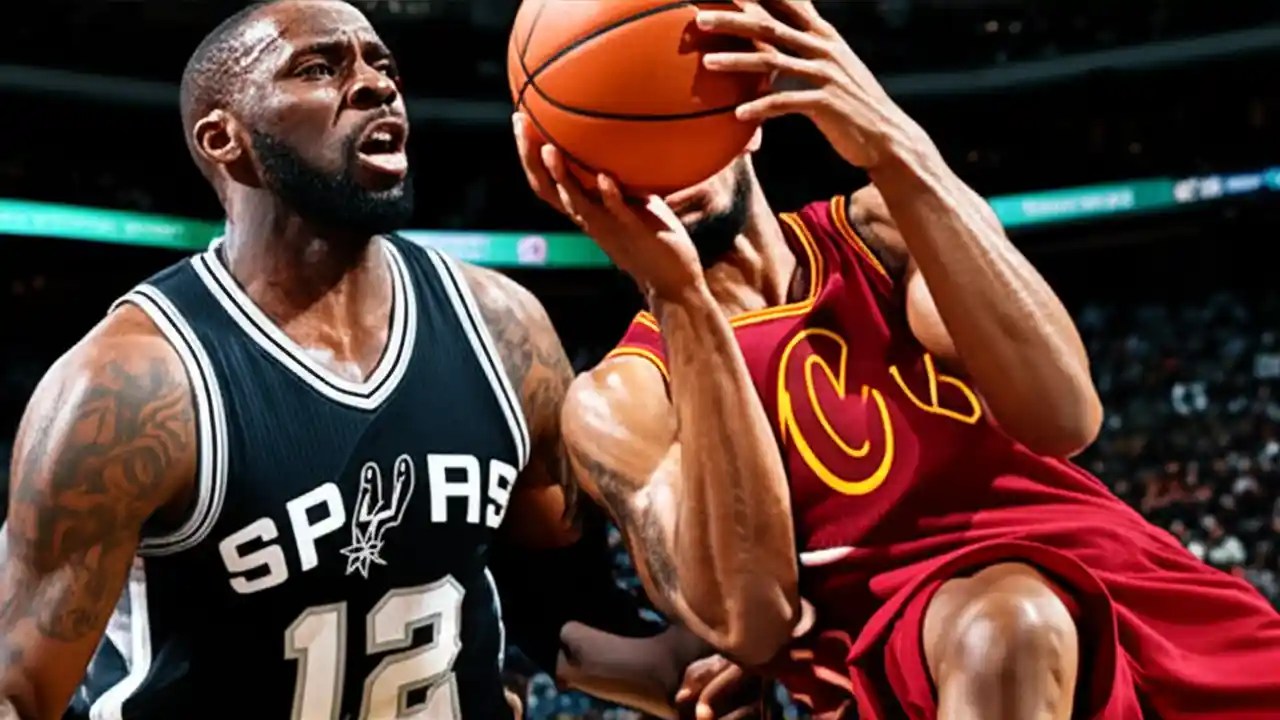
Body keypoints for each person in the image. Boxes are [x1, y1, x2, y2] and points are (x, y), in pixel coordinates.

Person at [514, 1, 1280, 718]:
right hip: (929, 660)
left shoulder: (883, 232)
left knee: (1018, 618)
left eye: (670, 117)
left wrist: (894, 141)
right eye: (629, 145)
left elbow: (1064, 414)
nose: (665, 161)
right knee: (1006, 626)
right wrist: (680, 297)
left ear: (745, 121)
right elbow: (753, 618)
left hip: (1132, 592)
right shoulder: (623, 395)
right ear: (577, 188)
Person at [0, 2, 745, 719]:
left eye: (382, 64)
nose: (375, 83)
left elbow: (552, 601)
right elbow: (18, 690)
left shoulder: (502, 327)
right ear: (223, 139)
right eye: (319, 68)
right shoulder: (129, 387)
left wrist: (689, 675)